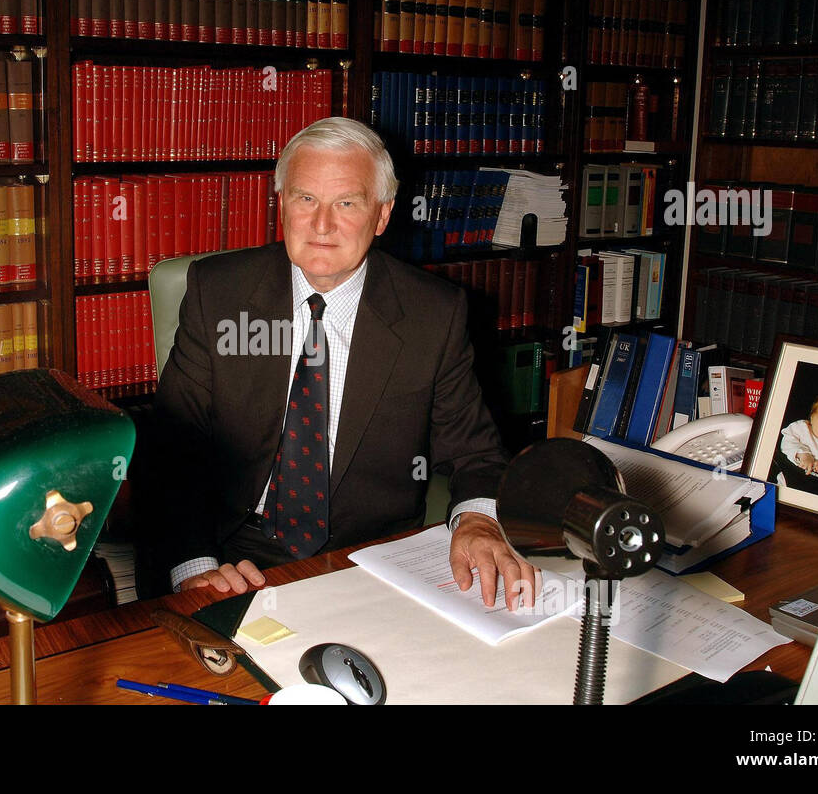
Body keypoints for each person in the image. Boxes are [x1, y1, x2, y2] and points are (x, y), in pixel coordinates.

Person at [147, 117, 538, 609]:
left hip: (370, 558)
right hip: (234, 550)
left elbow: (475, 455)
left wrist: (479, 521)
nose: (322, 225)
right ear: (282, 204)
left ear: (381, 216)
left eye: (347, 203)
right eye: (305, 198)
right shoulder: (218, 293)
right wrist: (195, 566)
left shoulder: (433, 314)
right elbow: (170, 452)